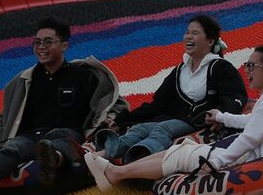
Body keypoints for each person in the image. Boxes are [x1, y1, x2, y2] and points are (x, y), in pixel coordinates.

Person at [0, 16, 127, 195]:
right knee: (13, 148)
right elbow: (4, 119)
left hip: (68, 132)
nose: (41, 47)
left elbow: (112, 103)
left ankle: (52, 160)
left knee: (60, 141)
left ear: (64, 45)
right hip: (31, 136)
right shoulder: (25, 81)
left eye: (48, 42)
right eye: (37, 42)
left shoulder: (84, 75)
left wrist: (110, 121)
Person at [84, 45, 263, 190]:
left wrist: (217, 161)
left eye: (251, 65)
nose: (247, 70)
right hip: (248, 155)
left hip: (248, 159)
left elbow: (251, 137)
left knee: (181, 156)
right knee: (181, 148)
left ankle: (116, 173)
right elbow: (253, 122)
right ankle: (116, 170)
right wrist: (223, 117)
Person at [95, 15, 248, 163]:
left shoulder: (221, 67)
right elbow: (158, 104)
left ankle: (139, 161)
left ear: (209, 41)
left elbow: (235, 95)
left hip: (197, 120)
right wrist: (122, 119)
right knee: (140, 129)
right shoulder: (181, 70)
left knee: (162, 128)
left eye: (195, 33)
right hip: (177, 119)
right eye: (187, 32)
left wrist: (221, 115)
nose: (188, 36)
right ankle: (100, 156)